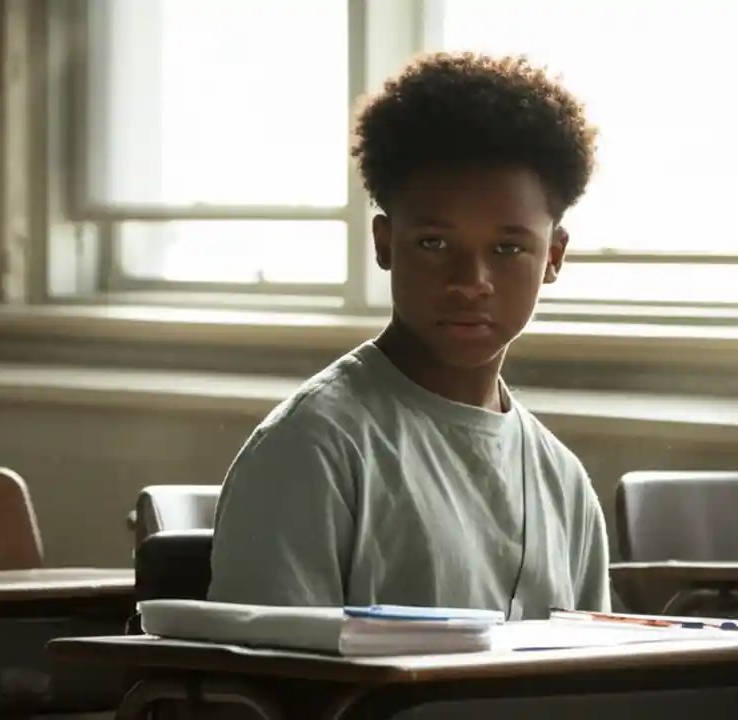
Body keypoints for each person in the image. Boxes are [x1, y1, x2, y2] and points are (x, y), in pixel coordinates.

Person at [207, 52, 609, 619]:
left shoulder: (563, 483)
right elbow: (265, 687)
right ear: (385, 244)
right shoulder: (315, 450)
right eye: (434, 244)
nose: (471, 283)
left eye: (508, 248)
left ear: (554, 257)